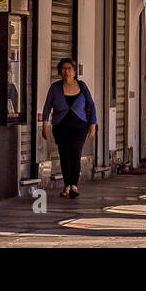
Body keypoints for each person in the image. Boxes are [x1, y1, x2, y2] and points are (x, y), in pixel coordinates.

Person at [41, 57, 97, 197]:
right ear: (60, 71)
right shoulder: (55, 87)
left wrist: (93, 124)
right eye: (63, 69)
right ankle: (67, 185)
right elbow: (47, 106)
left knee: (76, 154)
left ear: (74, 71)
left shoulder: (82, 86)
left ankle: (74, 185)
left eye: (69, 69)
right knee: (64, 155)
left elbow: (91, 105)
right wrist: (44, 125)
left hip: (79, 127)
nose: (66, 71)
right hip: (61, 127)